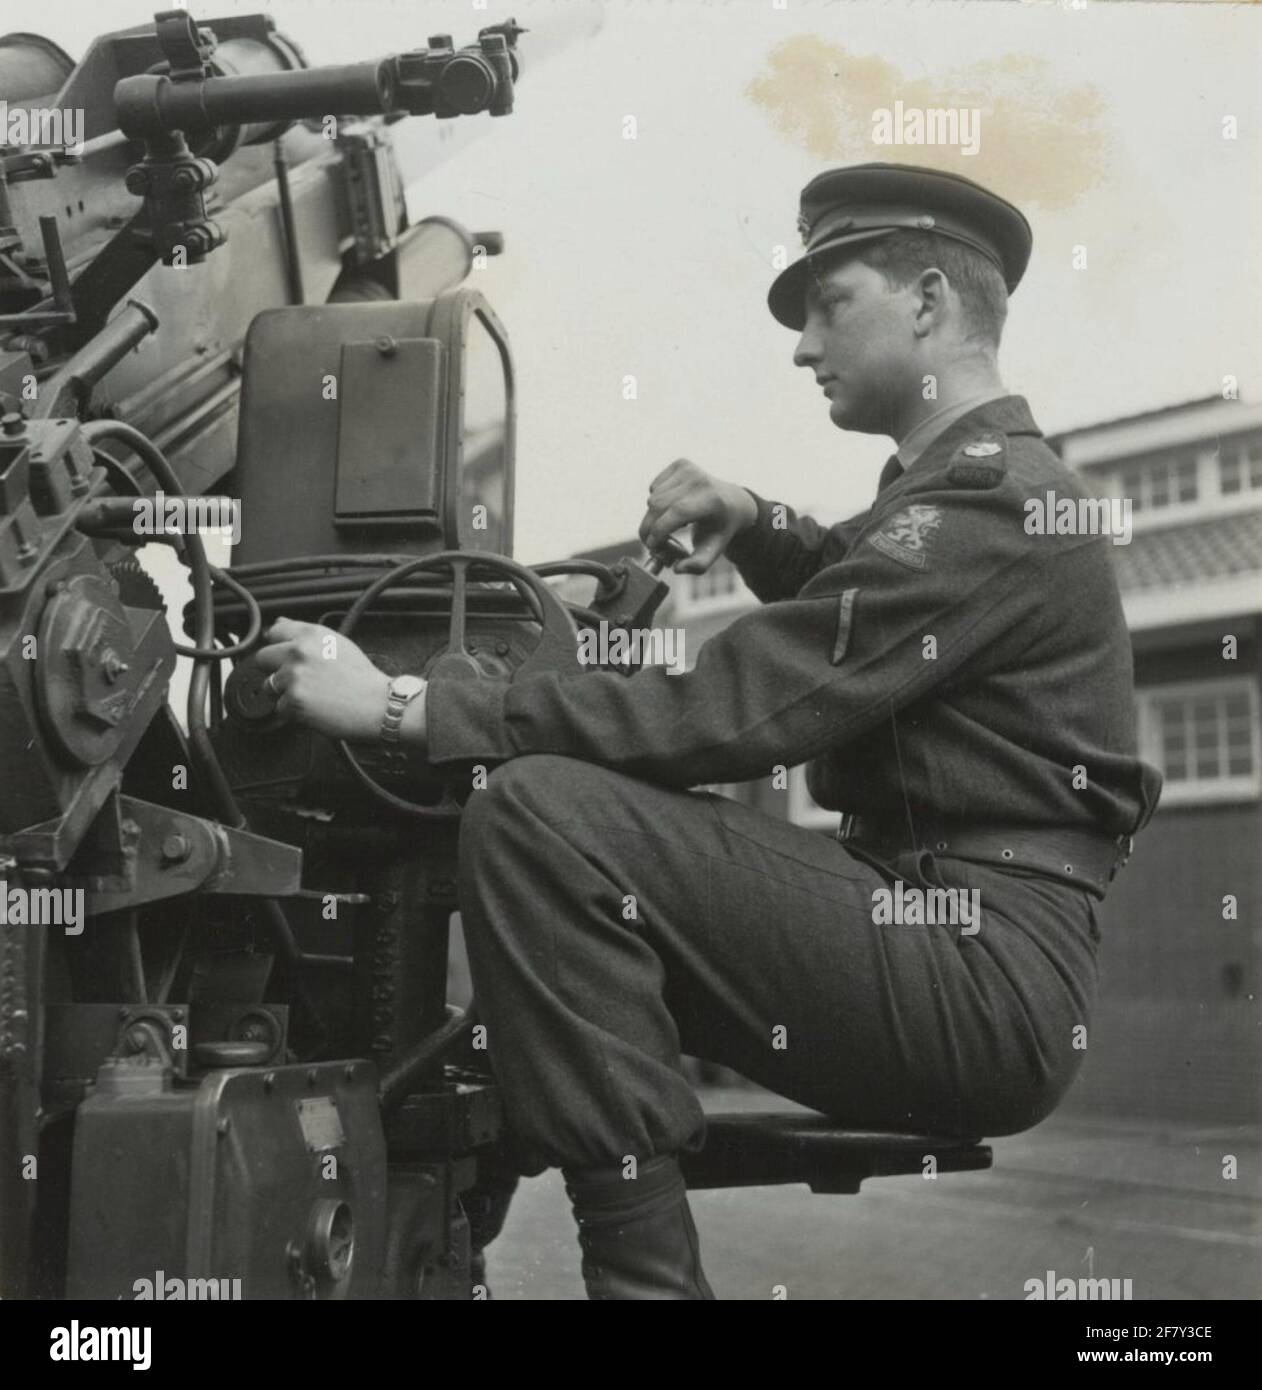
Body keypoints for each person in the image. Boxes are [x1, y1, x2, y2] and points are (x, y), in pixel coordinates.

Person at [256, 163, 1162, 1300]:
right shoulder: (962, 500)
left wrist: (408, 705)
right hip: (952, 938)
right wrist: (752, 520)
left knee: (544, 815)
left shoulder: (987, 502)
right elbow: (861, 600)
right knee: (554, 850)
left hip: (981, 974)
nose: (800, 347)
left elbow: (742, 704)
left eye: (830, 305)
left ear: (928, 304)